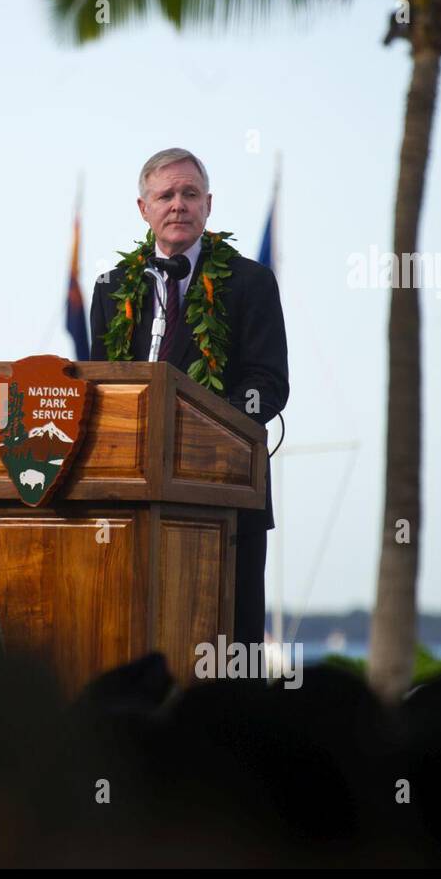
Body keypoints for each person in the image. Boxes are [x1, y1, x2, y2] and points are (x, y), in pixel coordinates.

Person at [89, 148, 289, 647]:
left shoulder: (250, 282)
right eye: (165, 195)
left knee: (227, 640)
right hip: (131, 498)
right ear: (143, 209)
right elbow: (98, 388)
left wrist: (206, 426)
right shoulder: (112, 288)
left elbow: (269, 384)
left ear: (208, 204)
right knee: (132, 635)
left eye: (189, 194)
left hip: (225, 493)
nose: (178, 205)